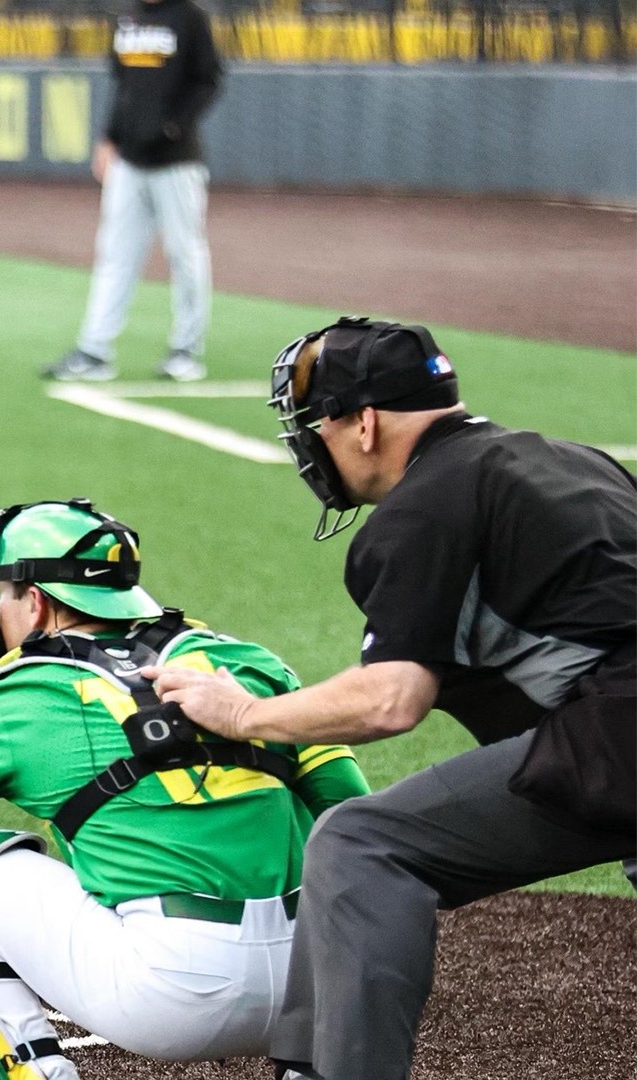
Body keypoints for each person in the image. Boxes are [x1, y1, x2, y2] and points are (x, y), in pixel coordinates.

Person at [148, 317, 637, 1080]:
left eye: (318, 422)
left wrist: (244, 714)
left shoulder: (423, 506)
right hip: (611, 740)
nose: (311, 442)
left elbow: (390, 700)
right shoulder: (576, 463)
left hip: (621, 740)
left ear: (364, 424)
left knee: (360, 843)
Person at [0, 499, 369, 1080]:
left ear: (39, 602)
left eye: (2, 593)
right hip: (318, 990)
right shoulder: (246, 663)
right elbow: (357, 821)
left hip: (171, 1001)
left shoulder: (20, 700)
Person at [44, 0, 222, 384]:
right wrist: (108, 138)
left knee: (184, 253)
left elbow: (208, 79)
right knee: (115, 255)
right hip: (128, 160)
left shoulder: (190, 17)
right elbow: (124, 84)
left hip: (176, 161)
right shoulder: (129, 18)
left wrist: (174, 126)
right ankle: (94, 350)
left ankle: (186, 350)